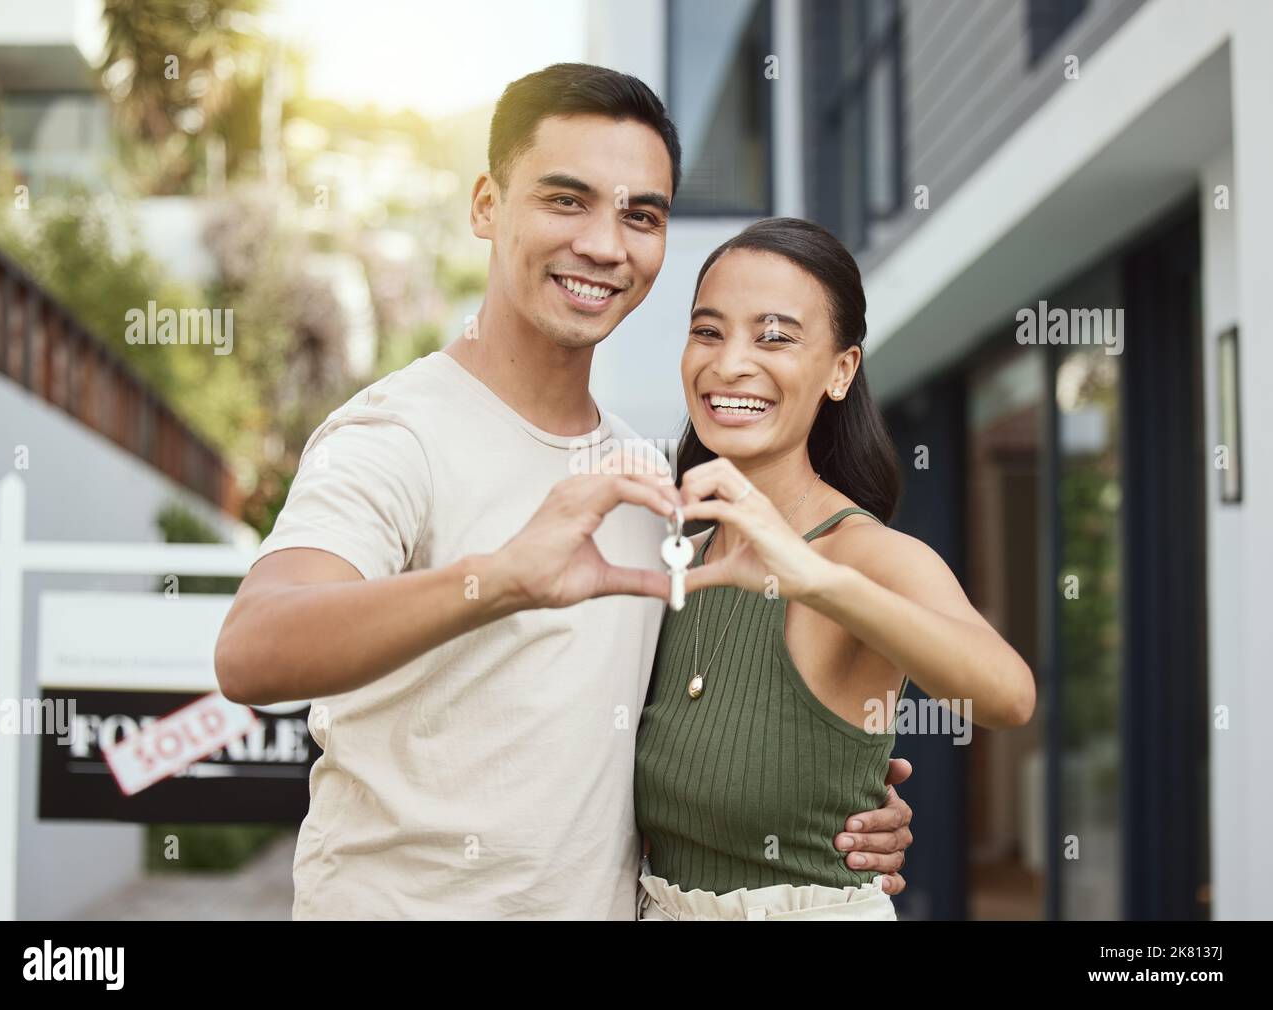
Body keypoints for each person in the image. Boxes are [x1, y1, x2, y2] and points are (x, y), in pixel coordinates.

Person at [214, 63, 914, 920]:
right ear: (485, 206)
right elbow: (253, 648)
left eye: (641, 215)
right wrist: (499, 578)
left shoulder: (649, 481)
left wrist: (828, 800)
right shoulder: (395, 434)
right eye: (565, 199)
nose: (605, 245)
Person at [633, 217, 1036, 920]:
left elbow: (1007, 695)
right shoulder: (678, 552)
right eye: (707, 331)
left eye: (775, 336)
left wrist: (814, 578)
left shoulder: (862, 553)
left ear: (841, 370)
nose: (729, 364)